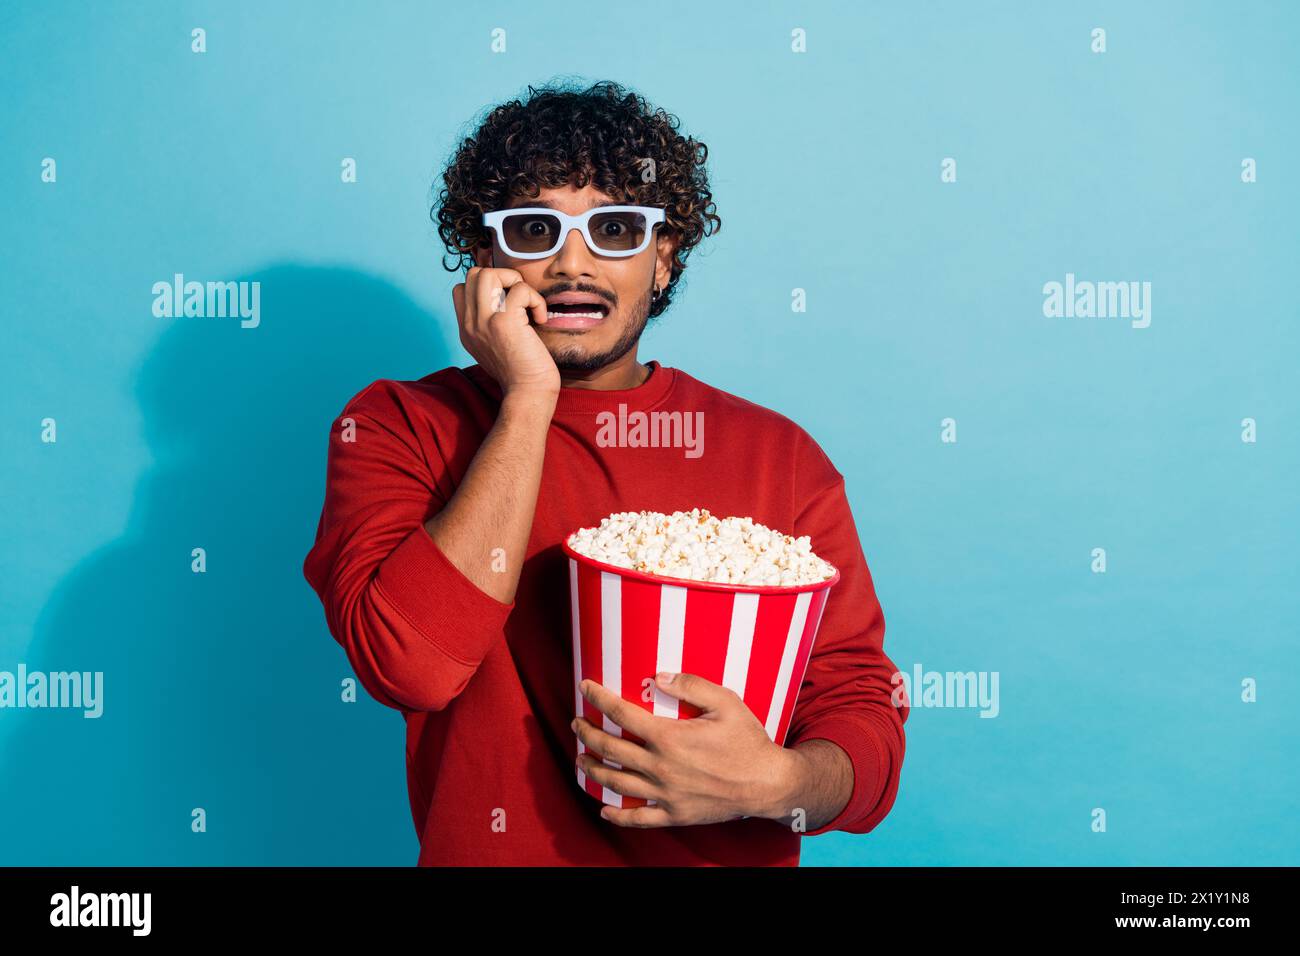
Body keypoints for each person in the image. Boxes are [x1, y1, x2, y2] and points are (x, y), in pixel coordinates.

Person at [303, 79, 908, 865]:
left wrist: (778, 784)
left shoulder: (779, 459)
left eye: (616, 230)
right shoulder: (398, 427)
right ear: (484, 257)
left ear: (664, 259)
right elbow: (411, 667)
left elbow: (861, 711)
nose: (571, 264)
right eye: (532, 230)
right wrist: (527, 398)